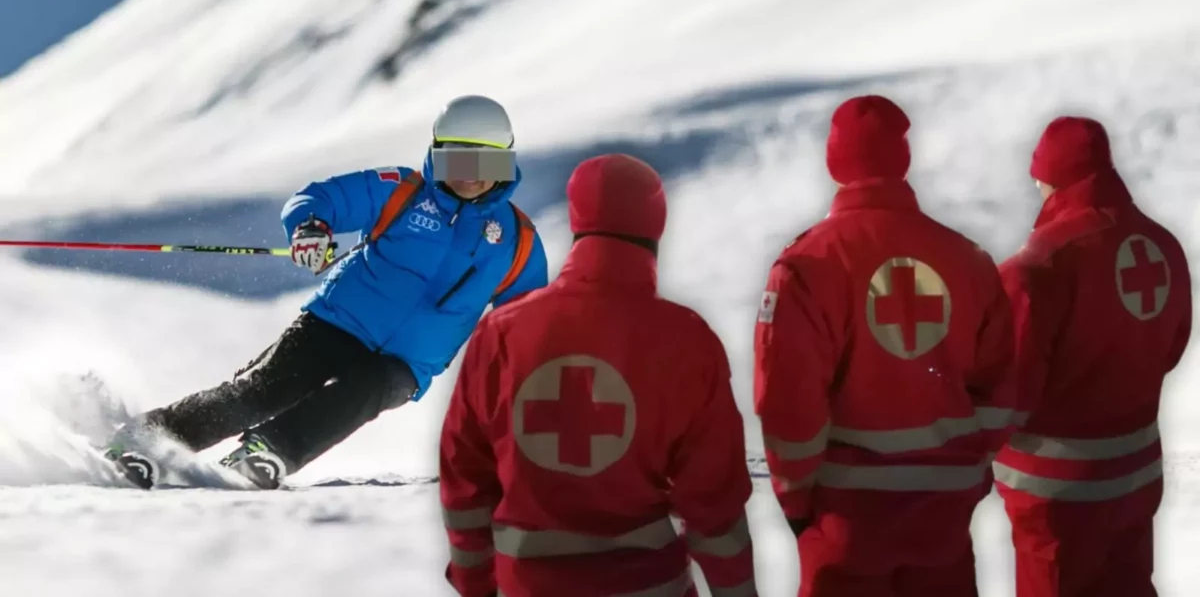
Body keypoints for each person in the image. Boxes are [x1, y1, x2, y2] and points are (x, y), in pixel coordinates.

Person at [103, 94, 549, 489]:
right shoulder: (403, 191)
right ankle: (144, 440)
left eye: (485, 165)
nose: (470, 178)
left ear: (505, 165)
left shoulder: (518, 241)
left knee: (366, 393)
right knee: (263, 391)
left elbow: (525, 324)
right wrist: (312, 227)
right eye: (457, 163)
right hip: (338, 321)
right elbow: (321, 198)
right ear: (436, 154)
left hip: (408, 362)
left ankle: (267, 453)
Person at [438, 154, 757, 597]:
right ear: (655, 226)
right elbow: (714, 503)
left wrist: (476, 585)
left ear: (577, 222)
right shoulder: (687, 340)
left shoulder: (501, 334)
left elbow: (464, 477)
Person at [754, 95, 1019, 597]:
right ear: (902, 160)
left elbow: (789, 405)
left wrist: (796, 503)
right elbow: (999, 388)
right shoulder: (968, 260)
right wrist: (964, 475)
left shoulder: (807, 267)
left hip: (844, 528)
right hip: (944, 525)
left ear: (835, 162)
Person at [992, 116, 1191, 597]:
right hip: (1137, 480)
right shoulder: (1164, 247)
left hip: (1055, 498)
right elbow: (1172, 347)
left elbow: (1005, 386)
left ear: (1051, 179)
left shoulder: (1036, 267)